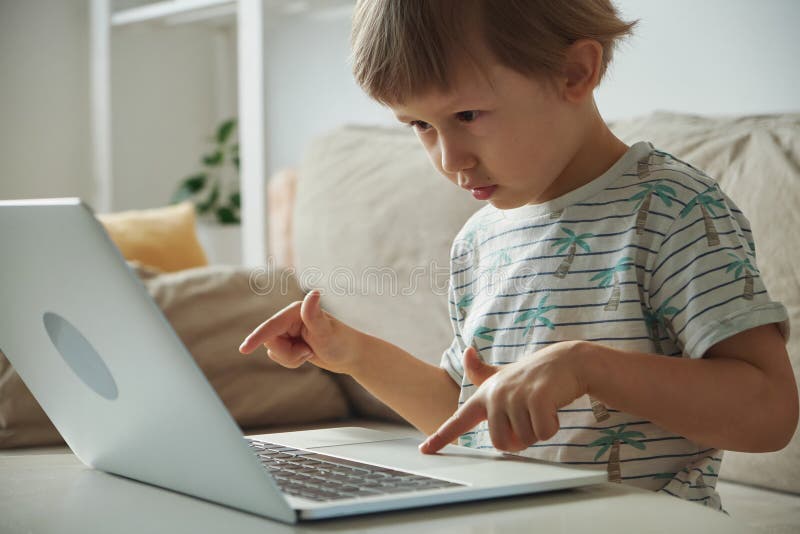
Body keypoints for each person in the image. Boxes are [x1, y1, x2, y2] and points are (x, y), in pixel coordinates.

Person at [239, 0, 797, 511]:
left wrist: (585, 366)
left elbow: (769, 413)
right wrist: (351, 352)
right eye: (419, 126)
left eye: (467, 116)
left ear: (574, 72)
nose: (450, 159)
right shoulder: (479, 241)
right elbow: (466, 415)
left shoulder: (672, 208)